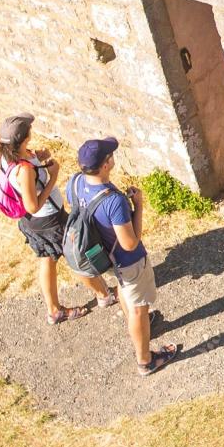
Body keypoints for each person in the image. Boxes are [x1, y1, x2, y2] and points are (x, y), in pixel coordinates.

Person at [67, 137, 178, 375]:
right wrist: (138, 206)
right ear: (106, 165)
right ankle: (145, 360)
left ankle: (140, 328)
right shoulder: (114, 201)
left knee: (125, 292)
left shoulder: (75, 182)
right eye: (110, 155)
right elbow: (129, 243)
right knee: (139, 308)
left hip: (105, 256)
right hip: (128, 261)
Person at [0, 114, 112, 325]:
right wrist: (53, 176)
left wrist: (38, 159)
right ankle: (104, 295)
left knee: (47, 260)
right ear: (23, 138)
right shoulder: (24, 170)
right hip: (49, 220)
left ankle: (54, 310)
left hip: (32, 223)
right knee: (77, 256)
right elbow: (33, 204)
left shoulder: (9, 157)